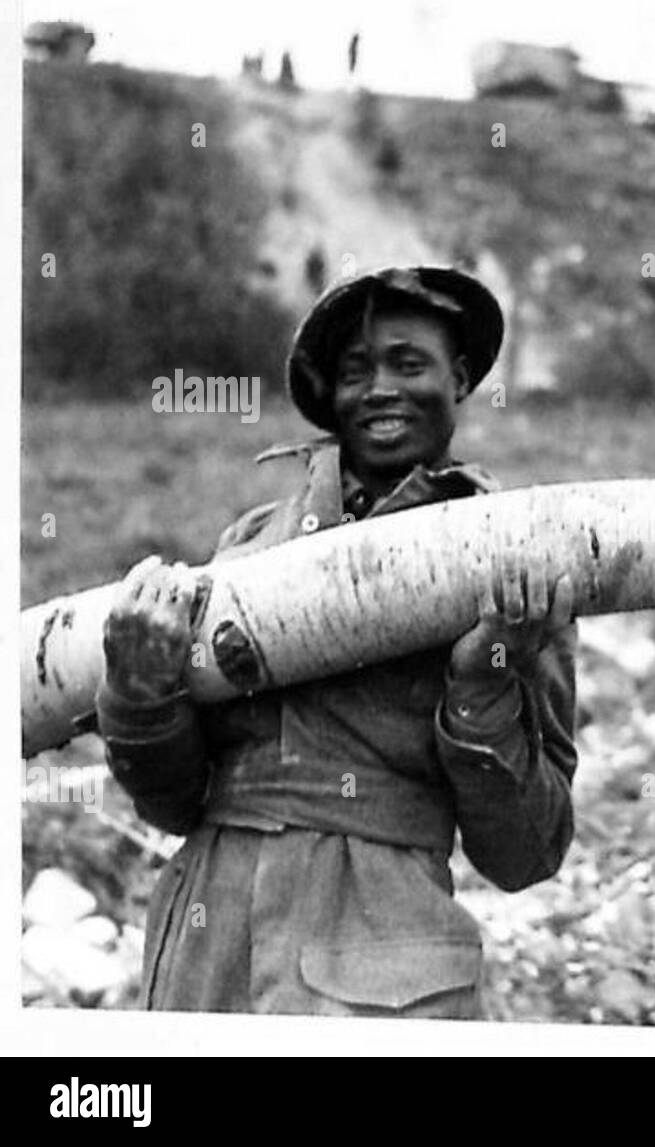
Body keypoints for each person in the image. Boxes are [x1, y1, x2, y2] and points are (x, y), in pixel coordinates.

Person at [97, 266, 577, 1018]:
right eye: (357, 371)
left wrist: (484, 688)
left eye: (408, 363)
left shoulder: (513, 559)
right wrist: (139, 692)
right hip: (208, 945)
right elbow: (173, 802)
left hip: (383, 956)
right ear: (331, 396)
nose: (382, 387)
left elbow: (526, 851)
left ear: (459, 379)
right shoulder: (249, 544)